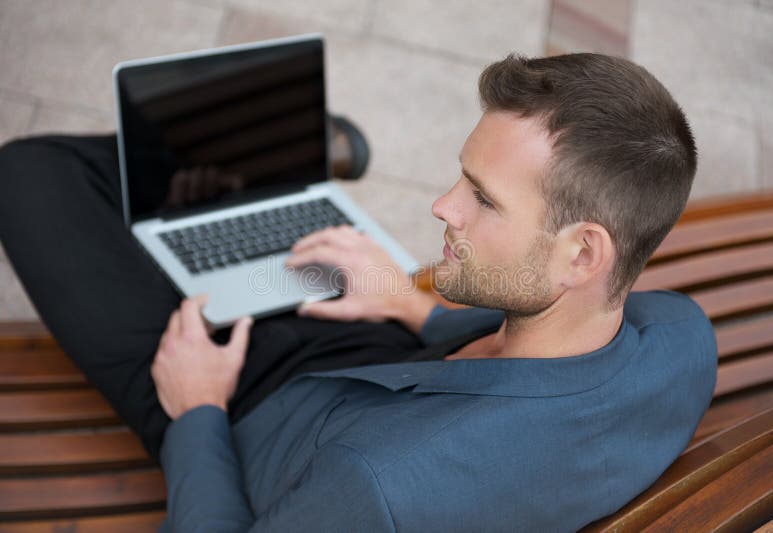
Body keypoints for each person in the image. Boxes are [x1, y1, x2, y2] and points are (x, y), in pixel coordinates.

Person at [0, 53, 716, 532]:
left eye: (482, 199)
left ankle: (288, 156)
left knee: (30, 175)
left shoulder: (379, 489)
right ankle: (277, 167)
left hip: (239, 404)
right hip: (378, 354)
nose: (441, 206)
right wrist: (411, 304)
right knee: (266, 222)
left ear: (583, 252)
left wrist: (196, 411)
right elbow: (541, 351)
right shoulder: (683, 338)